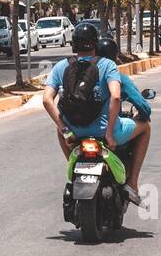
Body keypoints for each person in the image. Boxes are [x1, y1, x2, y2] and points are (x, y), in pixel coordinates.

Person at [42, 23, 152, 205]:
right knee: (146, 127)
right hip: (104, 133)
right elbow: (116, 97)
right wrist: (109, 134)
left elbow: (47, 100)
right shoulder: (107, 65)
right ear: (95, 45)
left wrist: (65, 130)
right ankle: (132, 182)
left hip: (74, 133)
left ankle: (75, 168)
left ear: (73, 44)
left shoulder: (61, 66)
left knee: (58, 128)